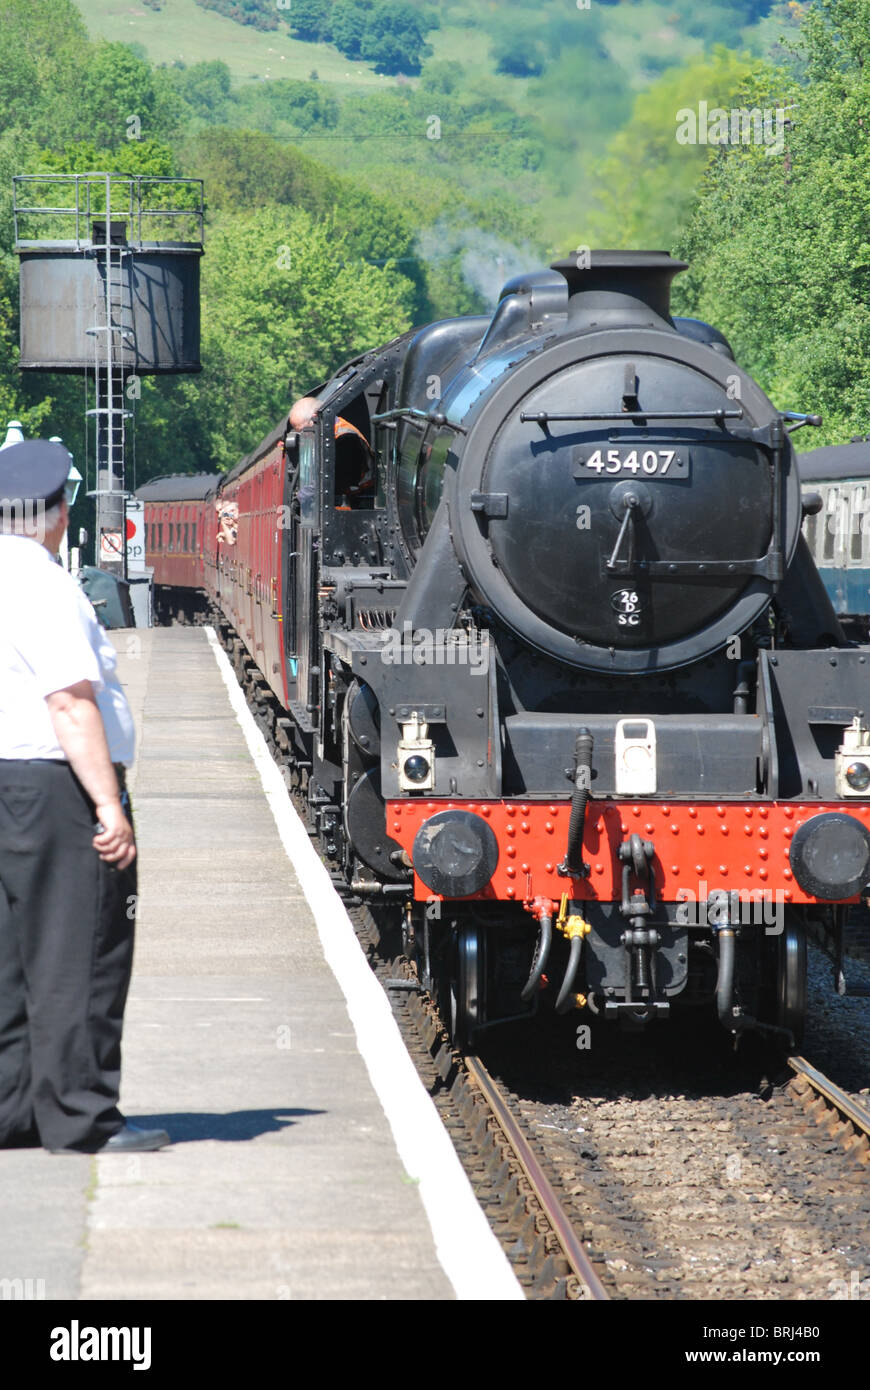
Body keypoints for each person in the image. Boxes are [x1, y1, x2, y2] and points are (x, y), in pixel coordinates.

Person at [0, 440, 169, 1154]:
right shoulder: (44, 586)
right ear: (54, 513)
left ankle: (13, 1113)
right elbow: (71, 704)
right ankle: (82, 1117)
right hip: (53, 787)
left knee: (9, 958)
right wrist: (108, 805)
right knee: (77, 953)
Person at [289, 395, 375, 506]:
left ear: (315, 418)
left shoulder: (345, 437)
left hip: (358, 504)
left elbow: (331, 479)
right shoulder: (330, 435)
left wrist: (302, 497)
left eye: (304, 431)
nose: (304, 436)